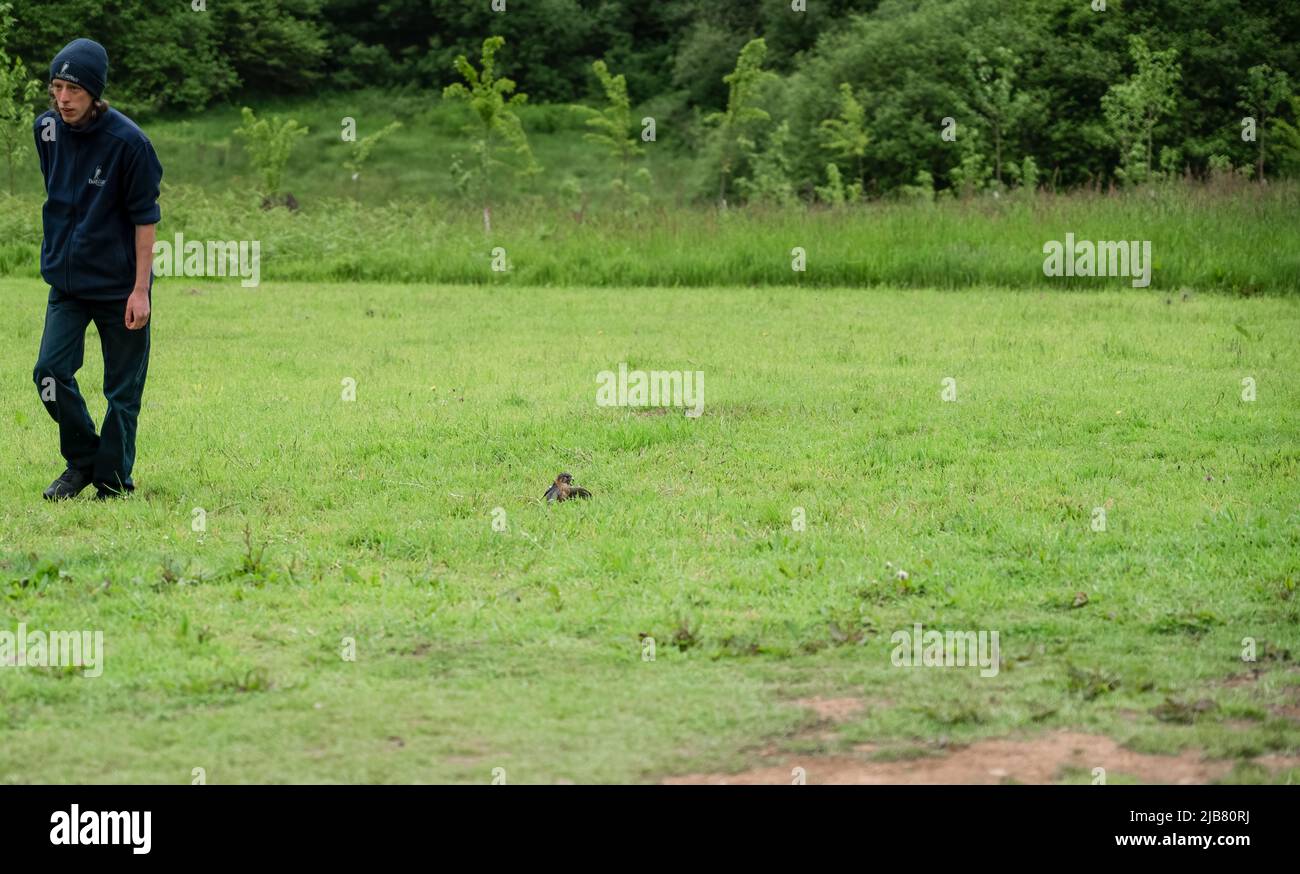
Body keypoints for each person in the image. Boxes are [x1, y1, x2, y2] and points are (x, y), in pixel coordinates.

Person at [31, 38, 163, 501]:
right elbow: (60, 195)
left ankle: (113, 481)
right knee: (48, 373)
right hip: (66, 283)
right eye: (57, 86)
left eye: (74, 89)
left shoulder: (130, 144)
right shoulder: (46, 129)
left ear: (95, 93)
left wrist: (140, 290)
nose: (63, 98)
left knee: (121, 391)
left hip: (120, 286)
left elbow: (145, 220)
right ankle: (84, 461)